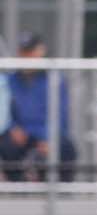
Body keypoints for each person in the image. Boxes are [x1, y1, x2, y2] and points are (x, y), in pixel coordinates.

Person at [1, 33, 75, 183]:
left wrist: (47, 138)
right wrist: (14, 127)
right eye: (23, 52)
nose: (26, 57)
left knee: (66, 148)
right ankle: (19, 190)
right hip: (22, 133)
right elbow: (5, 111)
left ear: (40, 52)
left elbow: (61, 116)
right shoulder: (10, 80)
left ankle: (63, 193)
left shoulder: (55, 80)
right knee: (7, 145)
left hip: (47, 132)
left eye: (30, 52)